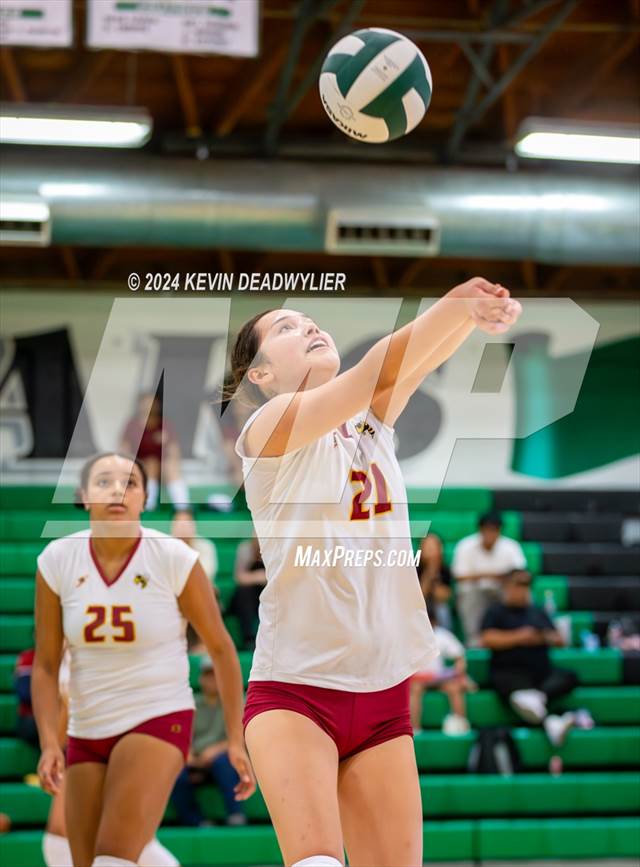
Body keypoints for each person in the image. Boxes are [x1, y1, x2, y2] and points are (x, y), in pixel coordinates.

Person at [225, 278, 521, 866]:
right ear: (259, 374)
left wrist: (471, 318)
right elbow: (377, 371)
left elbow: (406, 366)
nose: (307, 325)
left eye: (309, 319)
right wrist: (456, 302)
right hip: (296, 691)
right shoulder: (267, 427)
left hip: (383, 693)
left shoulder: (367, 424)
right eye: (285, 327)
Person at [32, 452, 255, 867]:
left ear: (145, 497)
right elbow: (45, 666)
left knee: (113, 859)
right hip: (87, 727)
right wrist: (49, 743)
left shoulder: (172, 557)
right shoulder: (57, 560)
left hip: (157, 716)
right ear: (82, 496)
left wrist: (236, 738)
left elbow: (222, 649)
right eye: (104, 482)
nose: (118, 490)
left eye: (130, 482)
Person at [479, 569, 578, 748]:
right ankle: (550, 721)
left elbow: (558, 638)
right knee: (507, 682)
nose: (521, 590)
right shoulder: (496, 611)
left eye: (525, 586)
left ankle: (535, 700)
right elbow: (486, 638)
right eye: (517, 585)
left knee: (569, 676)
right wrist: (519, 637)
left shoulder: (537, 611)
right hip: (510, 673)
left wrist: (539, 637)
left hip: (541, 676)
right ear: (507, 587)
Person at [171, 656, 247, 828]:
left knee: (224, 762)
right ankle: (195, 821)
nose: (212, 680)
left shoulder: (236, 701)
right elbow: (182, 734)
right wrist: (188, 753)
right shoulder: (191, 704)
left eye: (215, 674)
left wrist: (217, 749)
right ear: (201, 679)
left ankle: (236, 815)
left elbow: (243, 737)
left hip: (224, 758)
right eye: (208, 675)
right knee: (175, 768)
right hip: (196, 759)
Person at [451, 512, 527, 647]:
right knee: (468, 593)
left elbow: (520, 575)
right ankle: (474, 641)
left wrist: (481, 575)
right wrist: (495, 575)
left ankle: (519, 636)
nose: (491, 534)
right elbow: (459, 576)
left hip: (502, 590)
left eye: (495, 530)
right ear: (480, 530)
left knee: (520, 592)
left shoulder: (511, 547)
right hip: (476, 591)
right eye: (488, 529)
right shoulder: (465, 545)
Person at [409, 605, 478, 736]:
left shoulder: (443, 635)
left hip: (439, 679)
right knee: (414, 690)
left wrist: (459, 671)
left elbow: (459, 657)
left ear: (434, 620)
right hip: (417, 680)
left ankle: (460, 724)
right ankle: (414, 728)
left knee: (454, 688)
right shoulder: (410, 636)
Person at [120, 393, 190, 514]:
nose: (148, 406)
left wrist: (173, 460)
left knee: (169, 465)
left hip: (163, 469)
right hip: (141, 468)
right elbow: (123, 450)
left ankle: (183, 507)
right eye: (145, 402)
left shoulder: (164, 424)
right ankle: (148, 505)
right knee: (151, 464)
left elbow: (174, 450)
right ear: (139, 405)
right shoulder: (132, 424)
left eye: (152, 402)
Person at [227, 536, 267, 650]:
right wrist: (258, 577)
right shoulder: (245, 549)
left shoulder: (274, 548)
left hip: (266, 592)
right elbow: (239, 577)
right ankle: (248, 639)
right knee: (243, 592)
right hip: (248, 597)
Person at [417, 533, 453, 631]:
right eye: (427, 547)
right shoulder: (414, 569)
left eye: (433, 547)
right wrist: (428, 575)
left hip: (436, 606)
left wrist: (434, 574)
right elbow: (419, 597)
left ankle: (444, 636)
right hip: (419, 606)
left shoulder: (445, 570)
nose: (430, 551)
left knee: (442, 609)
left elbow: (444, 596)